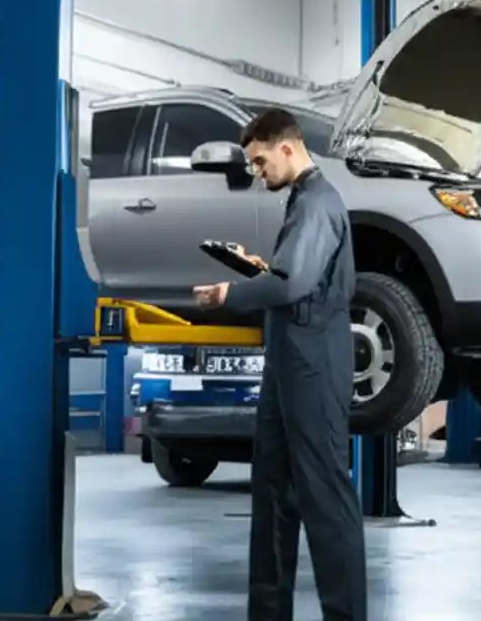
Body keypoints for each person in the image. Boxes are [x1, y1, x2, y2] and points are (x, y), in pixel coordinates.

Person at [193, 108, 367, 621]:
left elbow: (291, 285)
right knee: (272, 490)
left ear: (287, 148)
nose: (257, 172)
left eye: (260, 161)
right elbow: (292, 274)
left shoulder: (318, 203)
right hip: (288, 357)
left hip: (314, 358)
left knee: (324, 493)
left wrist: (232, 291)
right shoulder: (302, 200)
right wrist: (257, 271)